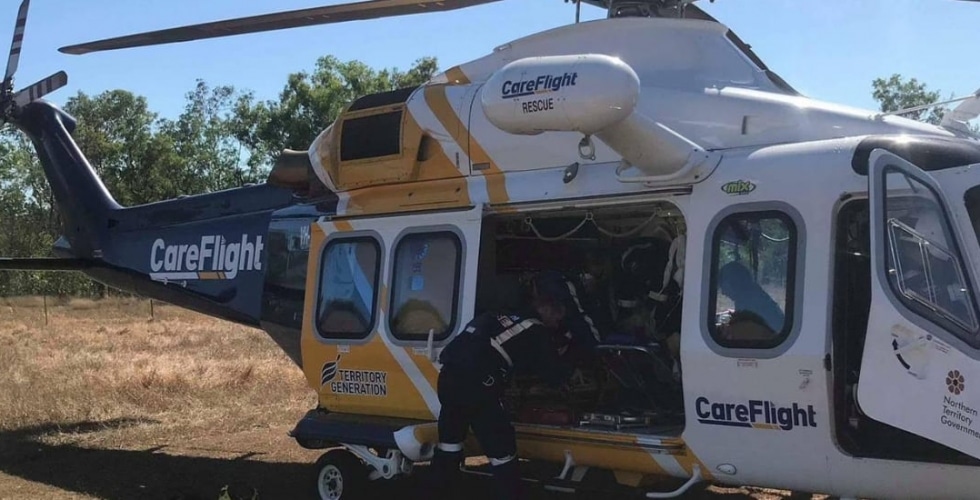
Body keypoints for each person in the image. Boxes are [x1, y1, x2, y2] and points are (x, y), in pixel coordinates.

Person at [429, 292, 573, 500]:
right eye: (557, 320)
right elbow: (552, 374)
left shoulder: (497, 315)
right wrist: (567, 371)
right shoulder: (534, 329)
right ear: (547, 310)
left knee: (449, 442)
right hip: (477, 384)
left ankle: (439, 491)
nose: (556, 325)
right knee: (501, 448)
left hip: (448, 378)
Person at [717, 261, 785, 339]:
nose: (723, 292)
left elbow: (744, 335)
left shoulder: (751, 301)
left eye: (723, 286)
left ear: (734, 282)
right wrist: (737, 314)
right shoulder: (753, 296)